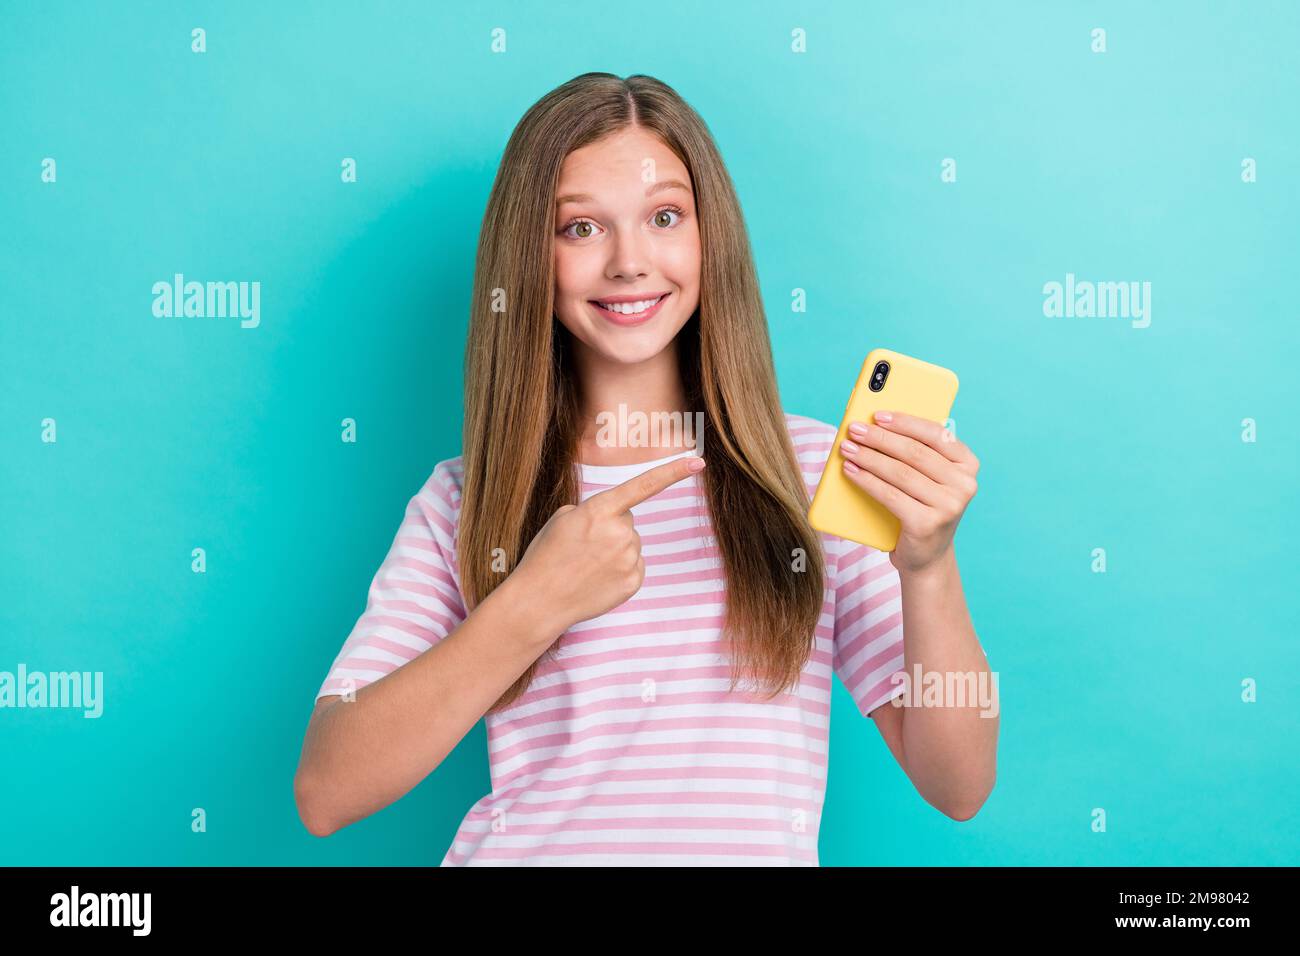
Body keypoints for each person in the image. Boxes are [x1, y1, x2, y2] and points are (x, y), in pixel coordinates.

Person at [294, 72, 996, 865]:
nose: (630, 263)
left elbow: (958, 784)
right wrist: (530, 605)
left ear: (708, 237)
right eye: (581, 228)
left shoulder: (809, 472)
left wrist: (929, 567)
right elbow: (326, 789)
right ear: (530, 254)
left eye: (664, 217)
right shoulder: (465, 500)